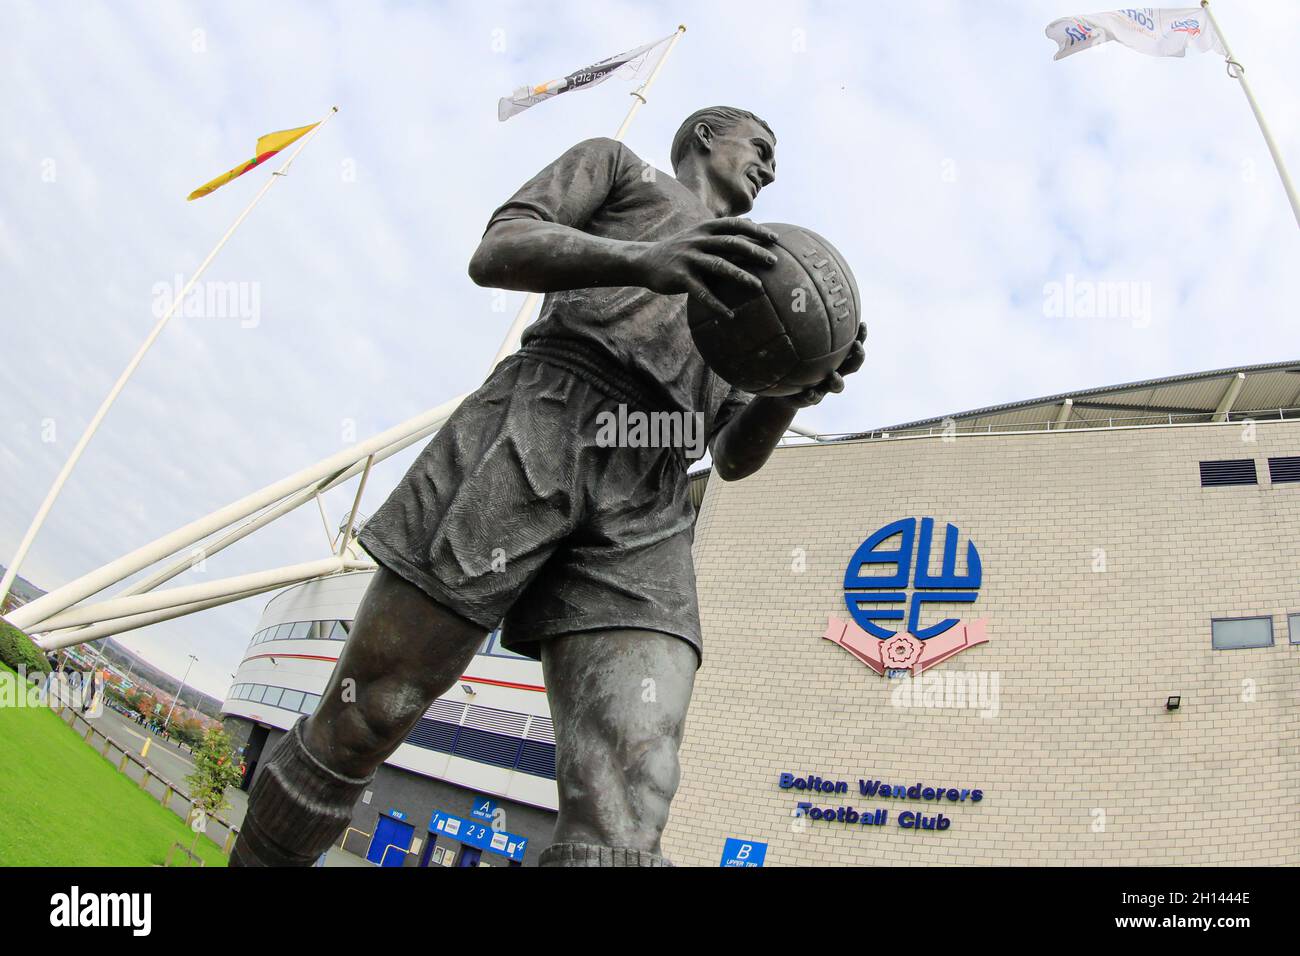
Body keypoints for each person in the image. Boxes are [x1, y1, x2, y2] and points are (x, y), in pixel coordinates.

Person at [232, 106, 865, 868]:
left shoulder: (756, 281)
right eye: (760, 147)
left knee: (633, 795)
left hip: (652, 482)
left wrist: (789, 393)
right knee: (374, 708)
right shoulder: (621, 168)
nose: (769, 167)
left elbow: (729, 459)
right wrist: (643, 260)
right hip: (543, 419)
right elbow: (497, 251)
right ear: (705, 134)